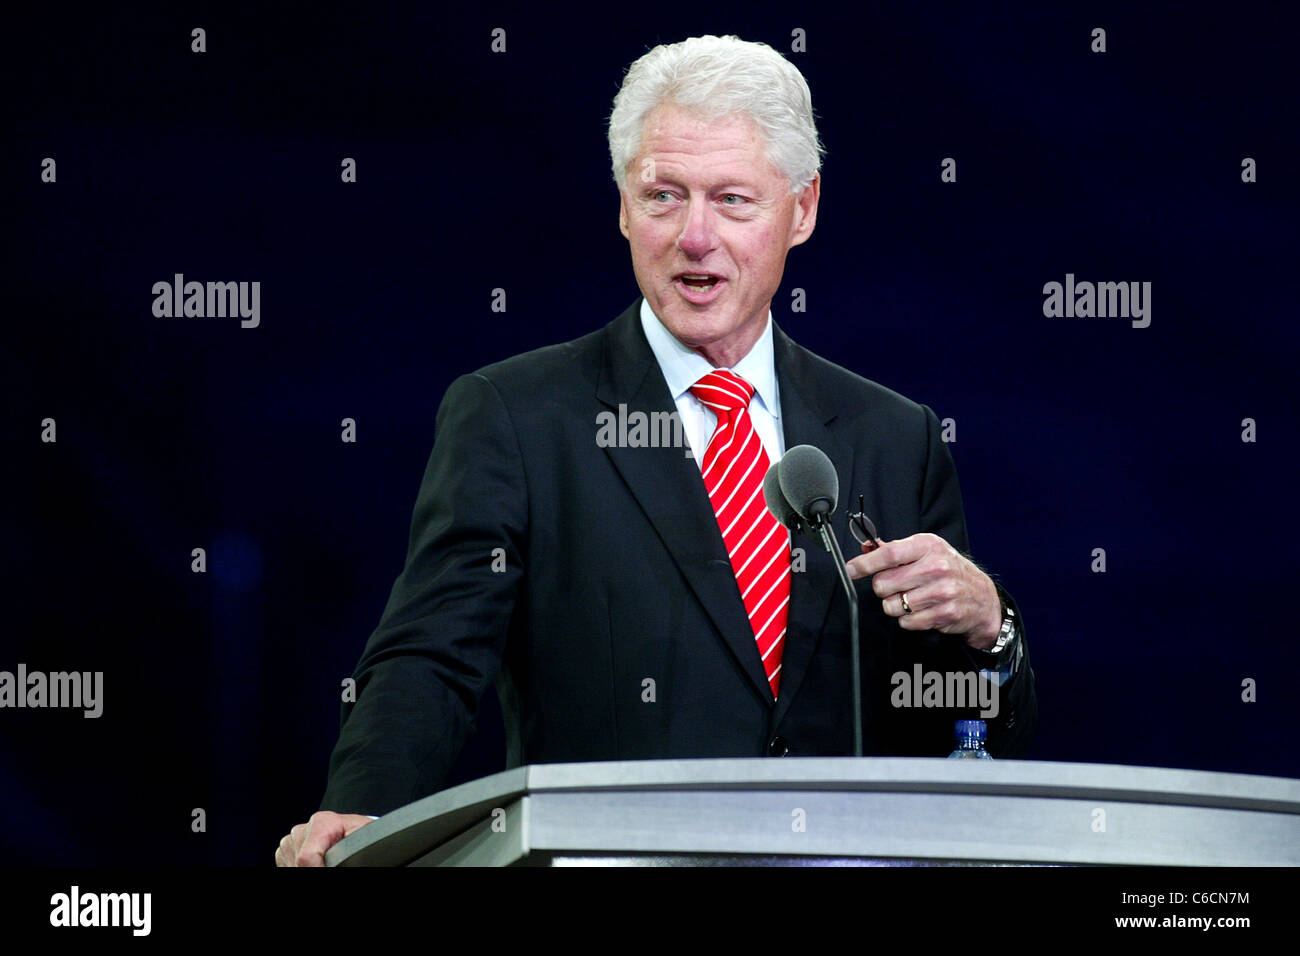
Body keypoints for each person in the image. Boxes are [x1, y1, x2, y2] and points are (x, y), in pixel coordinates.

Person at [276, 34, 1036, 867]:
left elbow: (956, 728)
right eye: (664, 196)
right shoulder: (520, 418)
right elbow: (433, 653)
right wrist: (363, 805)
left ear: (803, 208)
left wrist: (988, 632)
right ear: (624, 207)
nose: (695, 237)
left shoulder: (896, 436)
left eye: (733, 201)